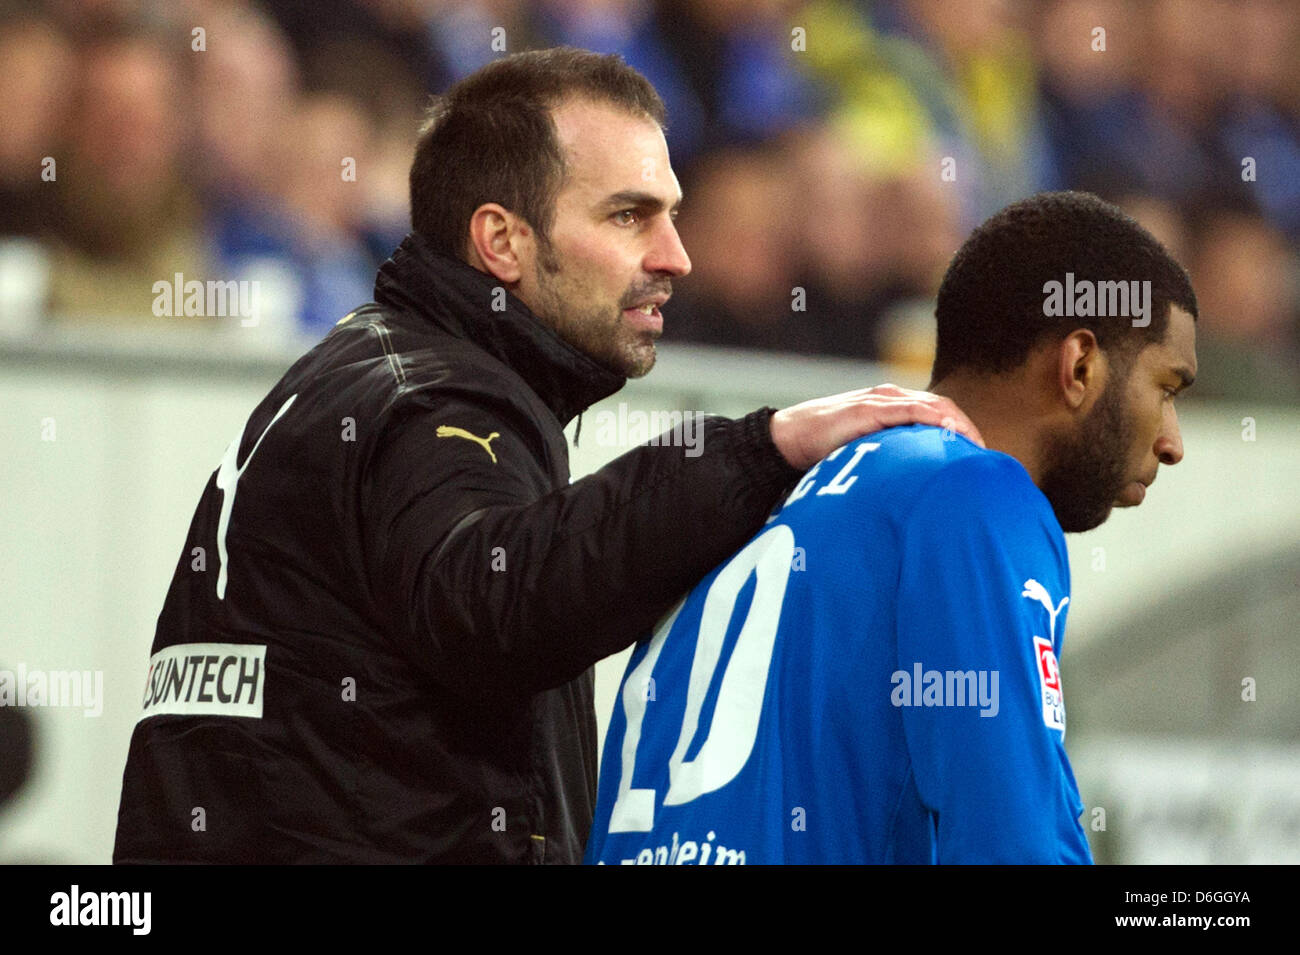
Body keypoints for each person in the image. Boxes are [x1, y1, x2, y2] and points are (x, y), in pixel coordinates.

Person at [112, 48, 982, 864]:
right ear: (504, 242)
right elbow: (497, 596)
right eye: (630, 214)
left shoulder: (366, 372)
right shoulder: (436, 402)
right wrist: (761, 451)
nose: (675, 256)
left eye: (672, 214)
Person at [585, 191, 1198, 865]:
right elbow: (1013, 841)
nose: (1171, 441)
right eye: (1167, 388)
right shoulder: (977, 493)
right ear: (1079, 365)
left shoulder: (761, 498)